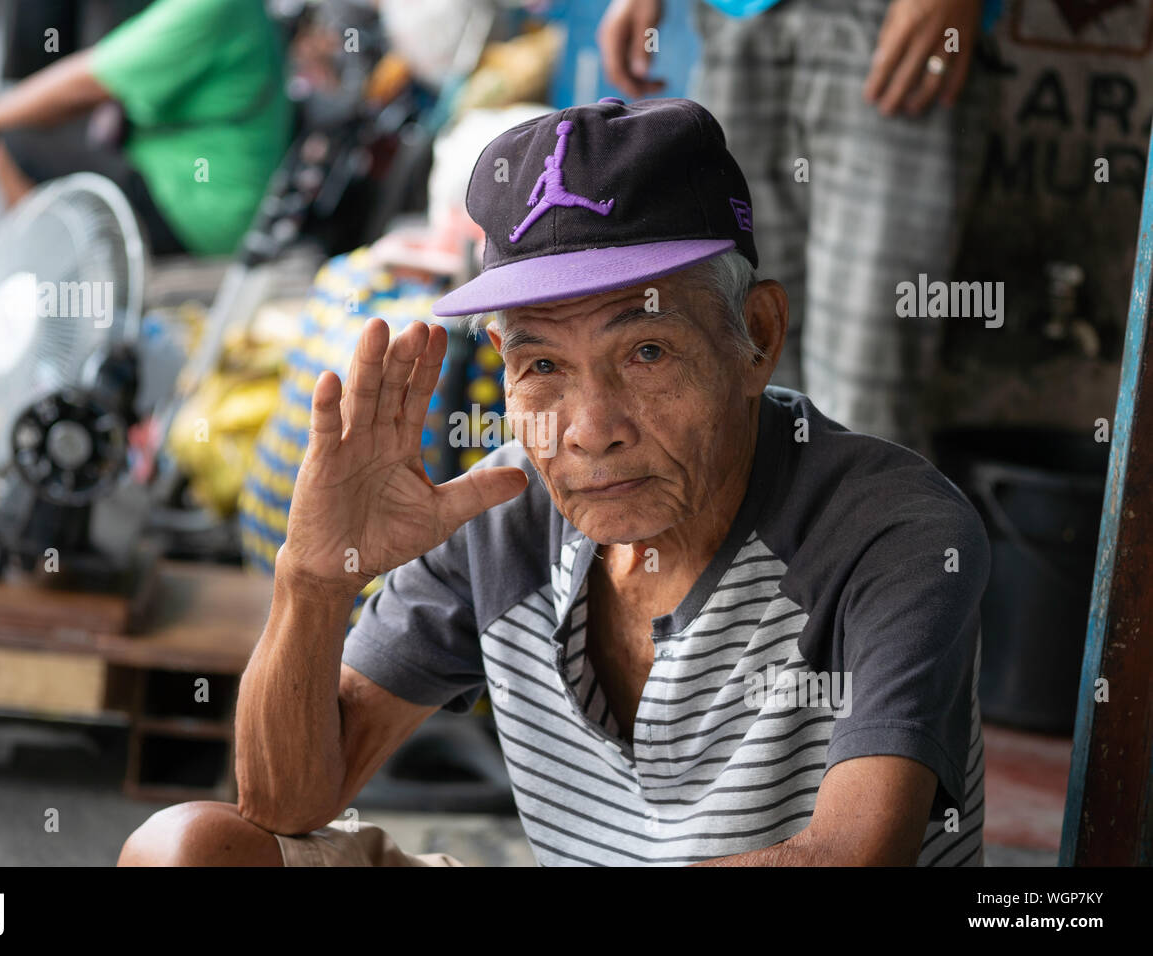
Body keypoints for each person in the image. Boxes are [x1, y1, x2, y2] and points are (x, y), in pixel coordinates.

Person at [119, 98, 989, 867]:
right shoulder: (504, 511)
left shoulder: (892, 530)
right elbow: (283, 806)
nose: (588, 426)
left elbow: (850, 856)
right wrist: (311, 578)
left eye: (646, 351)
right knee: (190, 854)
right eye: (540, 364)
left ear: (756, 337)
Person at [598, 0, 998, 451]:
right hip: (735, 16)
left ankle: (873, 524)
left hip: (884, 24)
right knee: (734, 377)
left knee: (867, 397)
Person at [0, 0, 290, 257]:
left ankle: (50, 280)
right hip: (204, 189)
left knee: (12, 136)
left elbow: (88, 80)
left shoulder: (209, 7)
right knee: (30, 120)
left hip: (202, 214)